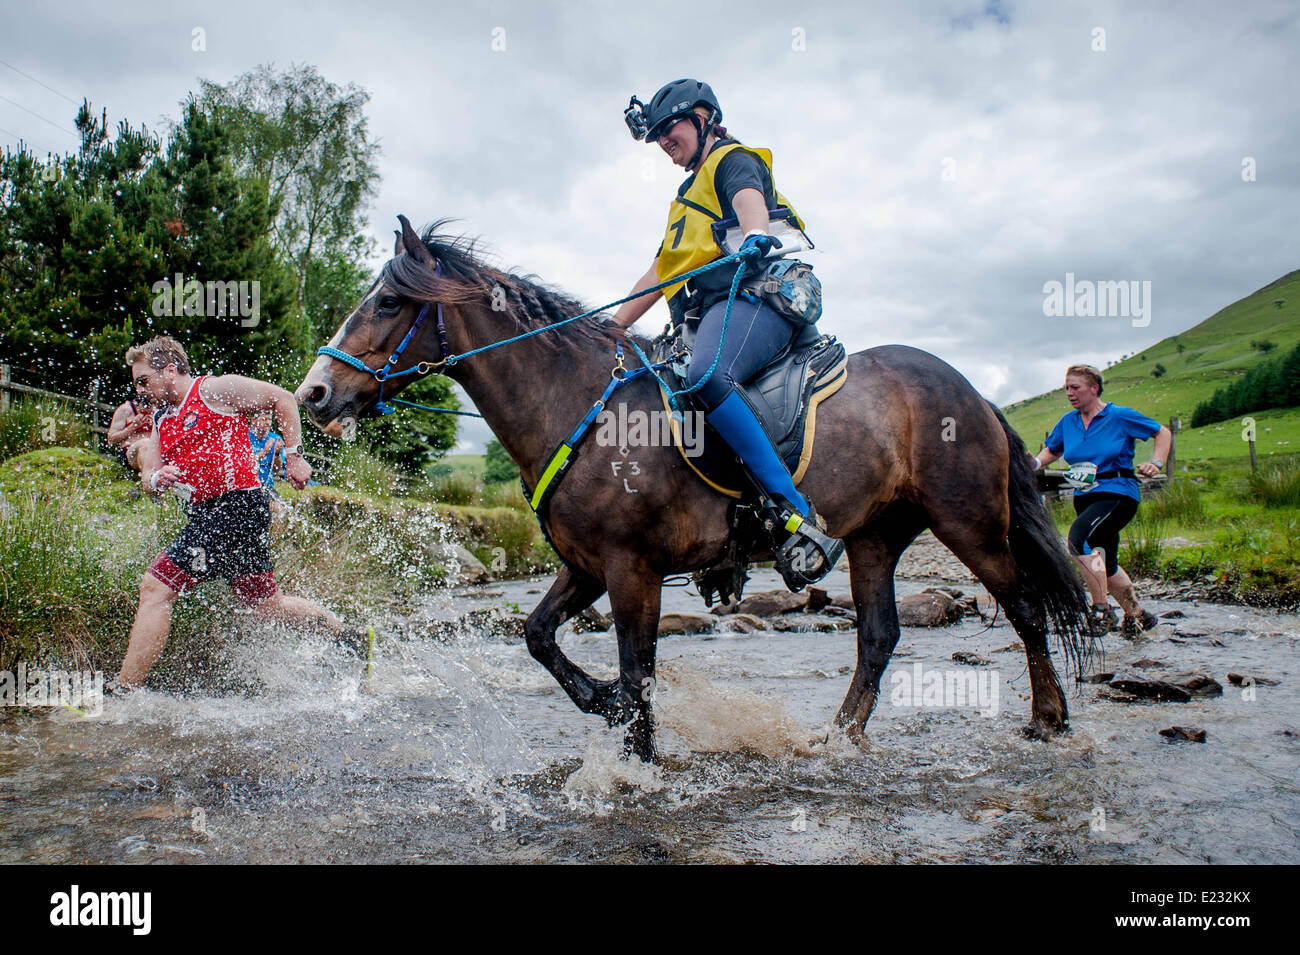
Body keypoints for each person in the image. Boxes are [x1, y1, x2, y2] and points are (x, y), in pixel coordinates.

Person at [611, 78, 843, 588]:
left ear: (701, 117)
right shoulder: (683, 198)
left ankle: (794, 513)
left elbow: (749, 202)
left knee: (707, 376)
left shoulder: (731, 159)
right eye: (659, 142)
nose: (665, 148)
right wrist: (611, 326)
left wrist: (756, 234)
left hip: (758, 294)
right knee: (664, 392)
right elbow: (662, 271)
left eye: (670, 135)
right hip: (707, 311)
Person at [115, 335, 351, 688]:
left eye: (143, 381)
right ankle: (345, 634)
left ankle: (123, 690)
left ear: (169, 370)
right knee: (265, 605)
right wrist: (157, 478)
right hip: (213, 513)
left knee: (156, 587)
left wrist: (294, 455)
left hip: (238, 504)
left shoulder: (214, 390)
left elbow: (282, 398)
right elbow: (148, 475)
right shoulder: (162, 421)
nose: (141, 390)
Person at [1030, 364, 1173, 637]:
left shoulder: (1118, 416)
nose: (1070, 393)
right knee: (1104, 565)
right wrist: (1034, 463)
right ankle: (1138, 616)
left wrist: (1156, 462)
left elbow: (1162, 432)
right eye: (1067, 388)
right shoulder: (1068, 421)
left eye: (1076, 387)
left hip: (1118, 492)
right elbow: (1053, 449)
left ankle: (1101, 611)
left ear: (1094, 388)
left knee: (1078, 541)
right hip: (1085, 496)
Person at [106, 391, 154, 472]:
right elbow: (111, 439)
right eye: (145, 410)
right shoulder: (126, 410)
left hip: (153, 452)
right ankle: (148, 477)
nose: (148, 412)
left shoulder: (157, 411)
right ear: (140, 405)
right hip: (130, 453)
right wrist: (133, 427)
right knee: (145, 443)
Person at [248, 409, 286, 489]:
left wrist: (277, 454)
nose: (268, 423)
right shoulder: (245, 437)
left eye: (269, 419)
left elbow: (276, 470)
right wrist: (264, 452)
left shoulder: (276, 439)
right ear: (253, 420)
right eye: (264, 419)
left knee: (277, 502)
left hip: (267, 487)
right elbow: (245, 465)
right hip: (247, 487)